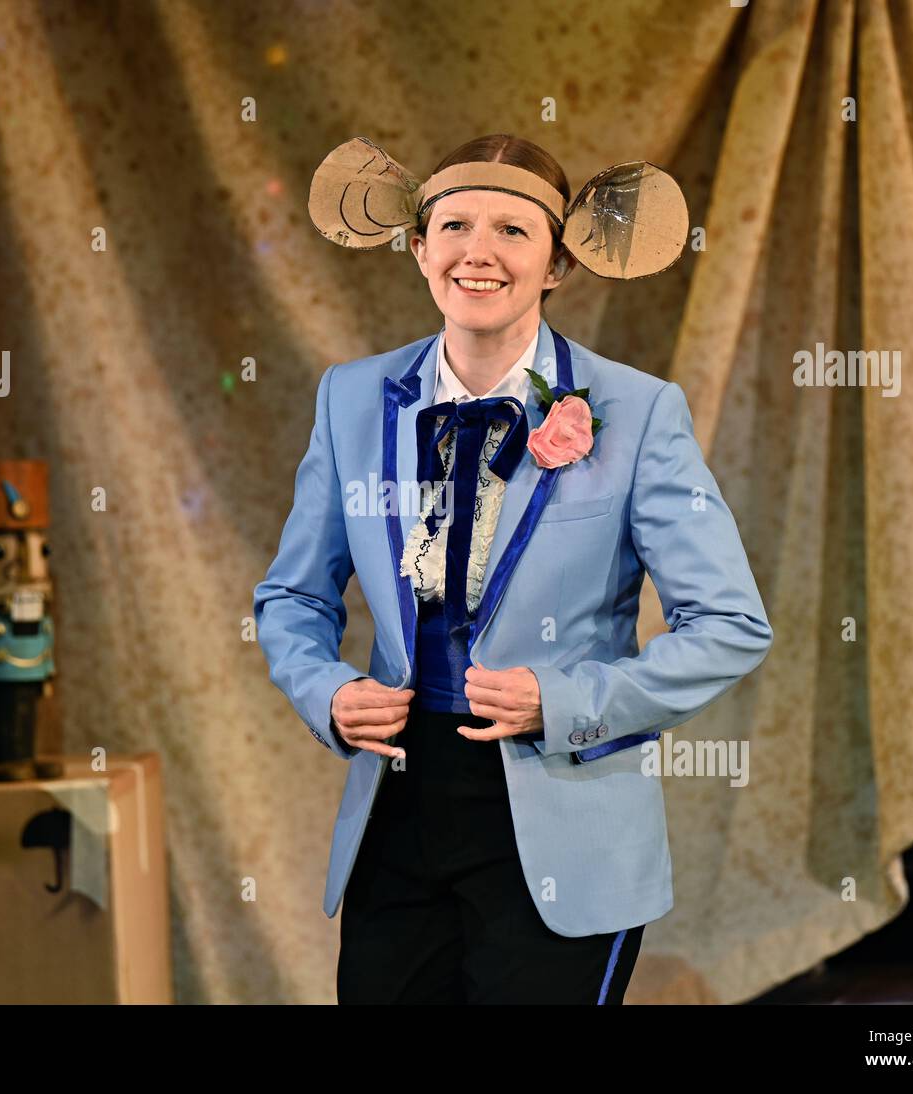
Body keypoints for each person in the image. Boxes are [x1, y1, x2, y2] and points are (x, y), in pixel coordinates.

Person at [253, 134, 773, 1004]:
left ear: (558, 262)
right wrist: (326, 693)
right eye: (453, 224)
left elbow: (729, 626)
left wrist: (565, 700)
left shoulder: (636, 412)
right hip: (400, 817)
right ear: (419, 248)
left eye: (513, 230)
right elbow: (293, 595)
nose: (477, 252)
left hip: (562, 820)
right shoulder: (351, 398)